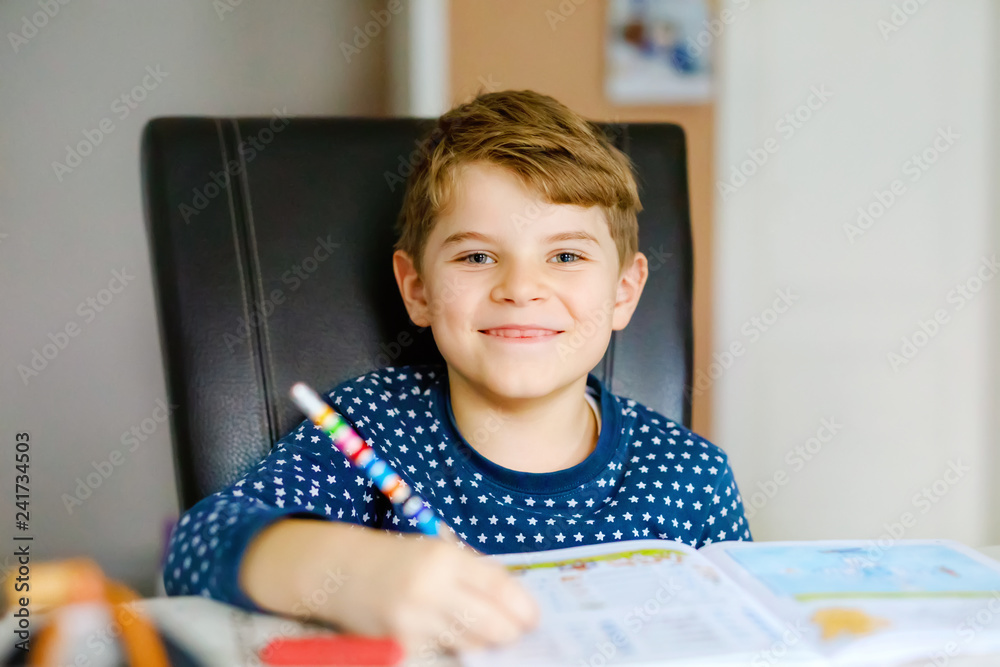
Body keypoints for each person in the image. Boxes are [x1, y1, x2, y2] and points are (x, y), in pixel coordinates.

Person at [163, 89, 752, 657]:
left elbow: (761, 637)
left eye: (566, 256)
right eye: (477, 256)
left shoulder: (691, 478)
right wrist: (350, 572)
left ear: (624, 292)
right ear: (416, 289)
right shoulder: (373, 427)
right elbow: (193, 546)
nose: (521, 288)